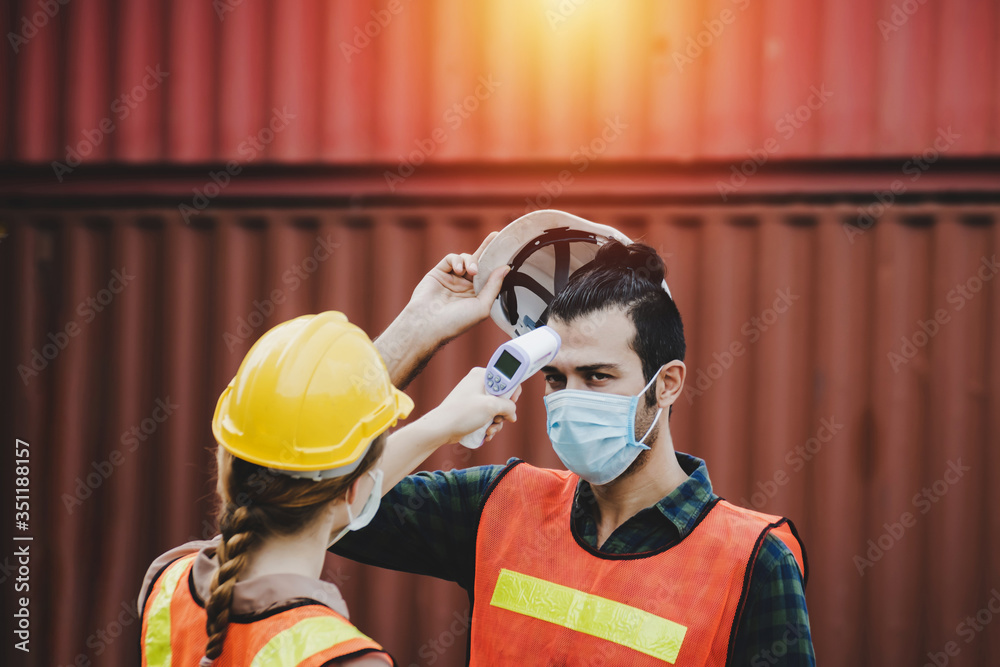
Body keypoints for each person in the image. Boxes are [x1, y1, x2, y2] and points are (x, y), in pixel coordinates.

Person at [331, 212, 815, 665]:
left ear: (667, 383)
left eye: (597, 376)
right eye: (556, 380)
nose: (570, 398)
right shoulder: (494, 510)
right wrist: (416, 334)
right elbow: (301, 498)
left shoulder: (752, 561)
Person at [137, 311, 518, 667]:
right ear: (354, 493)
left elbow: (313, 466)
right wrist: (439, 426)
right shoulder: (343, 659)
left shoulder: (167, 581)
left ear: (225, 465)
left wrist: (438, 425)